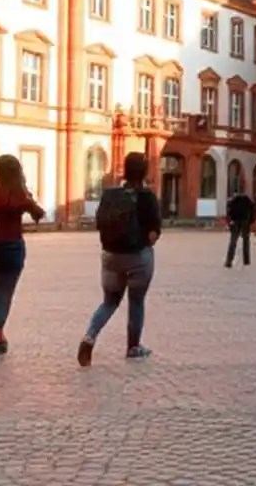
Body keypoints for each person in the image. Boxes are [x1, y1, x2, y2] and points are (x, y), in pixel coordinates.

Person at [79, 152, 161, 366]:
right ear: (145, 171)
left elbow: (99, 223)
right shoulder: (147, 197)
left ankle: (89, 336)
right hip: (137, 258)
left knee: (109, 302)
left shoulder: (110, 194)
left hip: (110, 256)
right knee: (136, 302)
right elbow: (153, 234)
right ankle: (133, 347)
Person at [0, 154, 45, 362]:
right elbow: (39, 213)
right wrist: (30, 205)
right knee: (4, 293)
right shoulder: (20, 194)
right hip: (10, 247)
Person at [225, 184, 255, 268]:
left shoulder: (233, 201)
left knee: (233, 241)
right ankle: (246, 261)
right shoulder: (247, 200)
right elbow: (253, 211)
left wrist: (229, 221)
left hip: (235, 221)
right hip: (245, 221)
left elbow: (229, 212)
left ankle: (229, 261)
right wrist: (251, 221)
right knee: (245, 241)